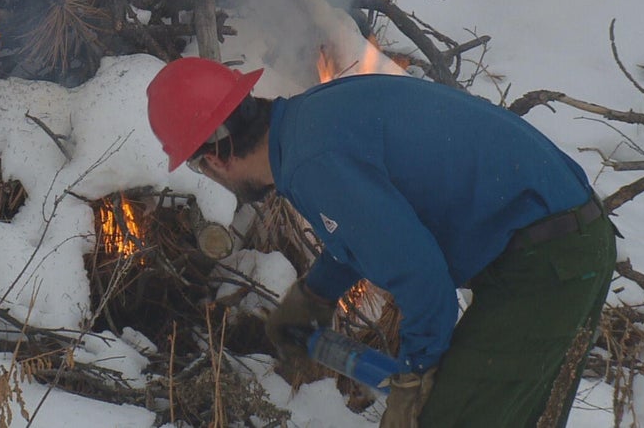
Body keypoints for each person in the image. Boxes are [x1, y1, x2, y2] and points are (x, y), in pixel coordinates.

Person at [146, 57, 618, 428]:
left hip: (550, 262)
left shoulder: (314, 164)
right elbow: (368, 229)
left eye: (194, 164)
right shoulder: (309, 123)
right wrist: (315, 295)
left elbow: (424, 280)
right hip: (557, 242)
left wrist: (413, 379)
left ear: (214, 158)